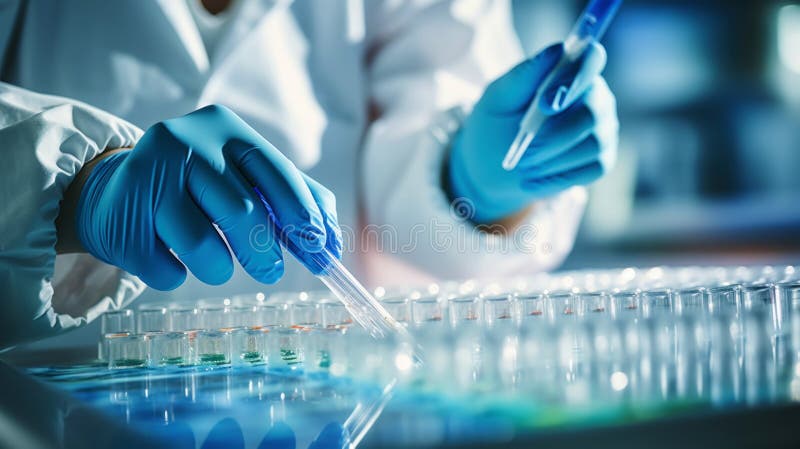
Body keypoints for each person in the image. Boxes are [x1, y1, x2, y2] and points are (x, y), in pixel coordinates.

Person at [0, 0, 618, 349]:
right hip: (50, 397)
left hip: (324, 394)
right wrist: (75, 192)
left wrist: (475, 186)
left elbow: (443, 78)